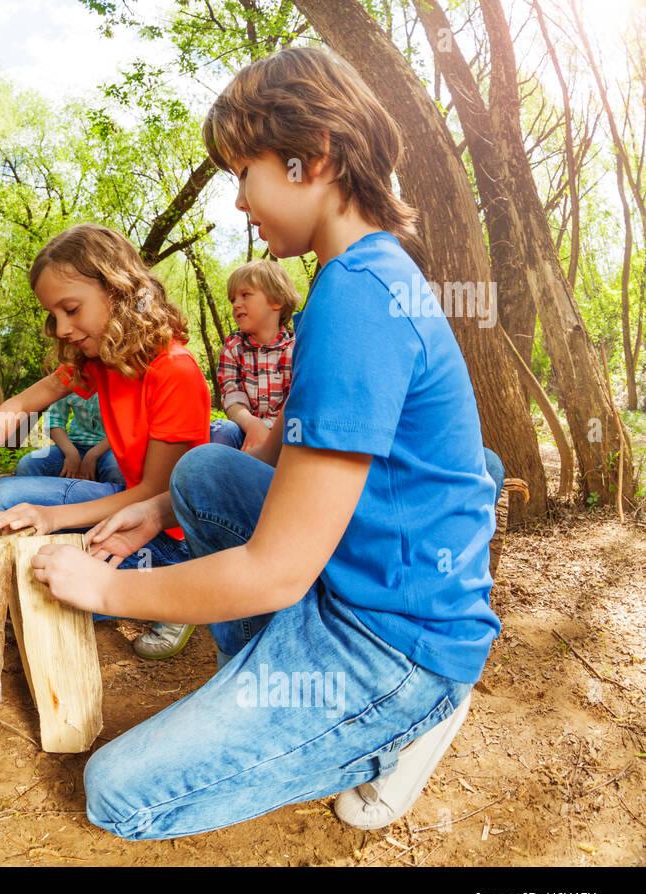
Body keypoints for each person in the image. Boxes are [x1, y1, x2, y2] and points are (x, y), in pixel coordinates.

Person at [29, 46, 500, 838]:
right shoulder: (355, 279)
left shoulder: (357, 298)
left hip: (395, 643)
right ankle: (271, 694)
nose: (241, 201)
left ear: (309, 159)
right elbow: (290, 450)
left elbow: (277, 571)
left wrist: (104, 589)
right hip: (350, 580)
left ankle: (394, 725)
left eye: (243, 173)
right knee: (206, 474)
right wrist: (154, 509)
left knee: (118, 793)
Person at [0, 223, 212, 660]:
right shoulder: (100, 358)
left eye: (71, 309)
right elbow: (20, 404)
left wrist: (52, 517)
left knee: (48, 590)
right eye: (54, 315)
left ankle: (176, 585)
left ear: (118, 291)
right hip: (125, 500)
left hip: (167, 528)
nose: (62, 328)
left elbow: (153, 496)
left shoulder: (174, 370)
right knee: (4, 494)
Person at [210, 259, 298, 454]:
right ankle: (221, 480)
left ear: (276, 301)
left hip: (284, 437)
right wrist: (253, 425)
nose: (236, 305)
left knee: (300, 431)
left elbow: (296, 403)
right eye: (233, 299)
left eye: (245, 295)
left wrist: (270, 438)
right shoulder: (233, 349)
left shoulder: (296, 349)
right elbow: (233, 400)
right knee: (220, 429)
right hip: (246, 433)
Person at [15, 392, 125, 486]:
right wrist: (71, 453)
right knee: (27, 465)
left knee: (116, 468)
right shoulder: (68, 379)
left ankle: (115, 507)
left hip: (110, 447)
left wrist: (93, 455)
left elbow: (125, 426)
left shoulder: (119, 377)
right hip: (74, 445)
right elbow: (54, 420)